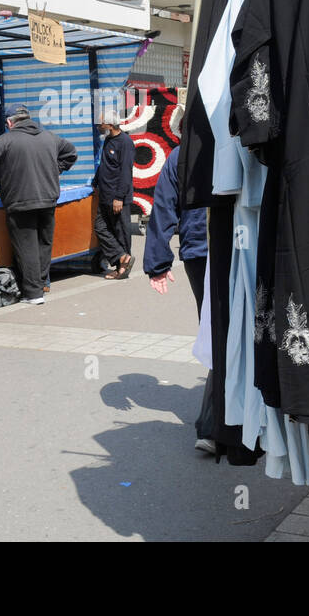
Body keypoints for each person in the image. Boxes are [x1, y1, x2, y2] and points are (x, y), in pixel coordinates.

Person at [0, 104, 77, 305]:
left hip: (21, 202)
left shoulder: (6, 140)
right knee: (43, 244)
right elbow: (71, 153)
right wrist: (55, 170)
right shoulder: (50, 137)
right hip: (48, 199)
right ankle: (40, 285)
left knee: (27, 247)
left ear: (9, 122)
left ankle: (33, 293)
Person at [144, 143, 216, 453]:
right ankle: (216, 425)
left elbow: (163, 207)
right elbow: (164, 205)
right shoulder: (238, 143)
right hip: (230, 250)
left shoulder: (180, 154)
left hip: (199, 251)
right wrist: (157, 262)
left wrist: (158, 262)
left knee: (215, 331)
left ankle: (219, 424)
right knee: (227, 334)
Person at [92, 108, 136, 279]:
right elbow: (104, 165)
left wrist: (119, 197)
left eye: (101, 122)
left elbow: (126, 172)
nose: (99, 125)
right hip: (104, 194)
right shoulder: (108, 140)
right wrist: (95, 182)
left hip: (117, 198)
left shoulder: (125, 142)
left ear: (110, 124)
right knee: (101, 227)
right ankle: (121, 257)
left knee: (121, 232)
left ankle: (122, 269)